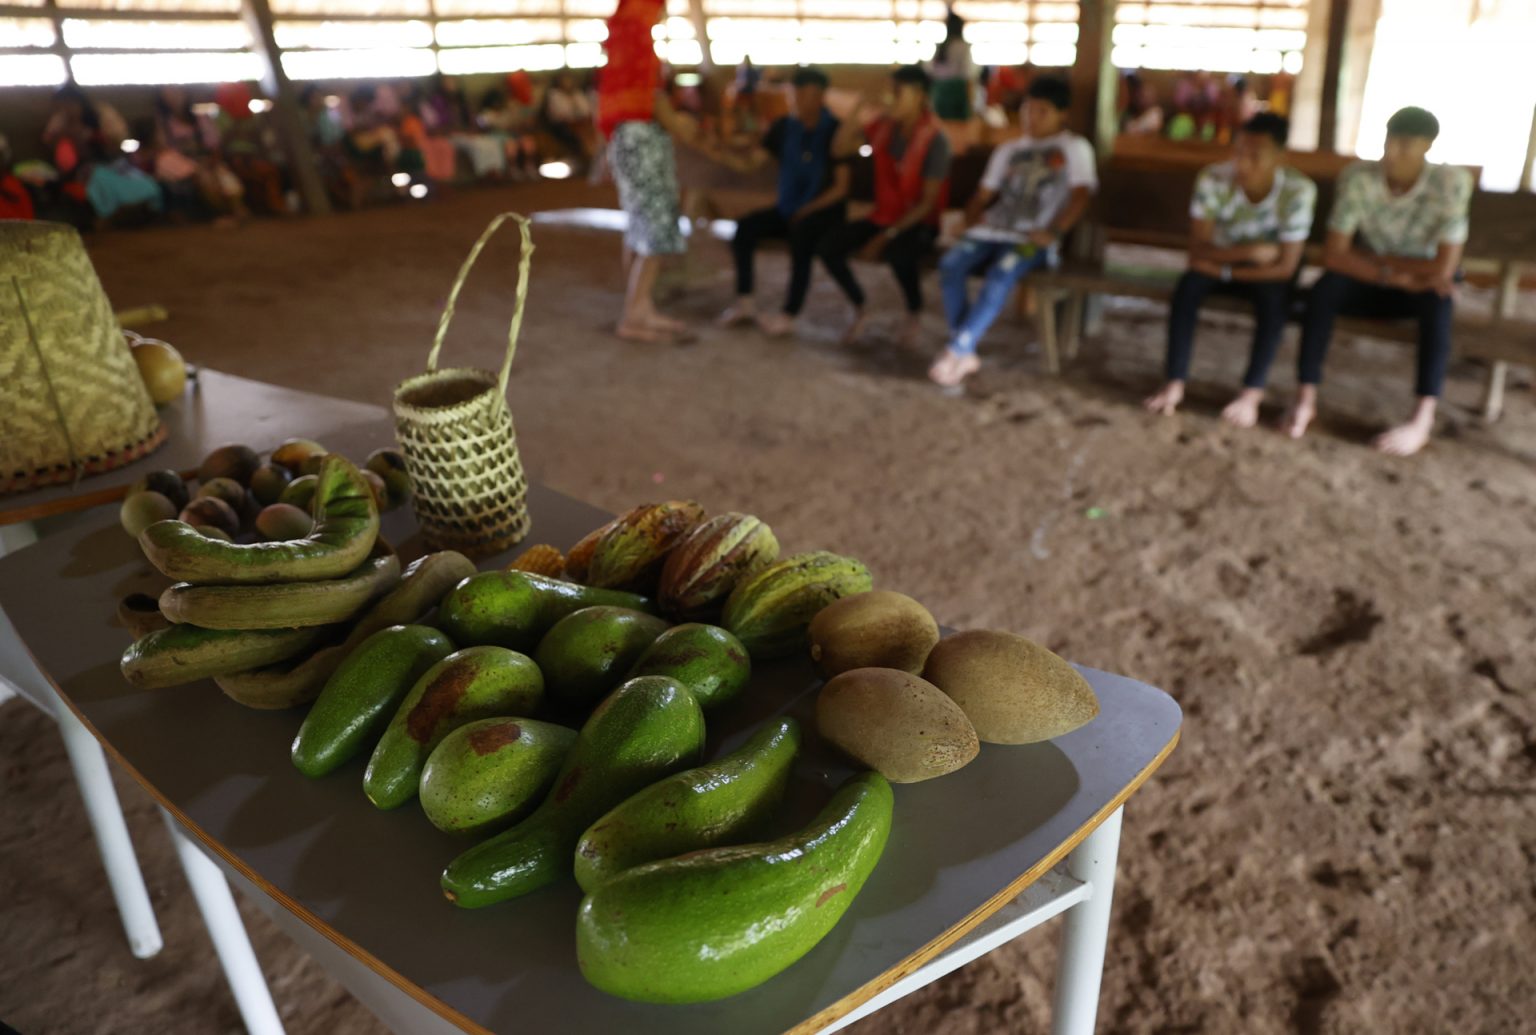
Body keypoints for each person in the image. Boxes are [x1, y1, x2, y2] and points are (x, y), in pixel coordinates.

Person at [1284, 106, 1472, 456]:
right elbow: (1335, 254)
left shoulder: (1450, 183)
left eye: (1405, 146)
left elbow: (1444, 266)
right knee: (1324, 291)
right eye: (1390, 142)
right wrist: (1397, 274)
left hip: (1411, 283)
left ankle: (1422, 419)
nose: (1392, 152)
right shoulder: (1359, 178)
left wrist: (1374, 262)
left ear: (1427, 147)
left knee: (1440, 299)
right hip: (1376, 279)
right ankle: (1304, 397)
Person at [1144, 113, 1316, 424]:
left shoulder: (1298, 192)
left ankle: (1251, 393)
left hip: (1253, 272)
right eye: (1239, 152)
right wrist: (1248, 252)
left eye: (1255, 156)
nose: (1243, 163)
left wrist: (1223, 269)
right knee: (1187, 289)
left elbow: (1285, 269)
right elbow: (1197, 250)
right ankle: (1174, 382)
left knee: (1275, 301)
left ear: (1281, 157)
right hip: (1224, 262)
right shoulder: (1213, 179)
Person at [928, 76, 1094, 387]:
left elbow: (1081, 195)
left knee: (1001, 274)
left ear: (1063, 114)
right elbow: (983, 196)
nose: (1032, 117)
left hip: (1033, 239)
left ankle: (957, 349)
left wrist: (1054, 232)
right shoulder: (1008, 150)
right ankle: (964, 346)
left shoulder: (1074, 148)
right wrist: (969, 221)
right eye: (1029, 110)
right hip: (992, 231)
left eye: (1043, 111)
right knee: (951, 264)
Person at [820, 64, 953, 347]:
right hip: (883, 216)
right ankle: (861, 306)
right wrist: (858, 109)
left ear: (919, 95)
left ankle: (913, 311)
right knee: (829, 245)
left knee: (898, 254)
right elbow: (839, 148)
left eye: (897, 91)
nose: (890, 97)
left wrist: (885, 236)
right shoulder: (883, 129)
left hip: (920, 222)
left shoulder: (935, 139)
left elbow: (928, 203)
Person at [710, 67, 849, 337]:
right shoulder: (784, 127)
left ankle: (789, 314)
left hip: (822, 212)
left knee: (802, 238)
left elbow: (841, 188)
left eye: (806, 96)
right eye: (795, 96)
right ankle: (745, 302)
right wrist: (719, 151)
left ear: (820, 97)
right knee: (744, 229)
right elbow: (753, 162)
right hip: (790, 209)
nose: (799, 102)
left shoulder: (835, 132)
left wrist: (807, 209)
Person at [599, 0, 698, 343]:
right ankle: (634, 314)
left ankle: (640, 305)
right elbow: (652, 102)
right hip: (641, 142)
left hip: (628, 142)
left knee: (640, 227)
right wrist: (683, 127)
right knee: (654, 230)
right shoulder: (637, 42)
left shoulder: (622, 42)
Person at [541, 69, 597, 171]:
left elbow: (586, 110)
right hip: (561, 126)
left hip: (581, 123)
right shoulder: (554, 95)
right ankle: (581, 160)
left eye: (569, 79)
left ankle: (591, 160)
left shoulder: (578, 93)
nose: (568, 82)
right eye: (565, 80)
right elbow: (559, 114)